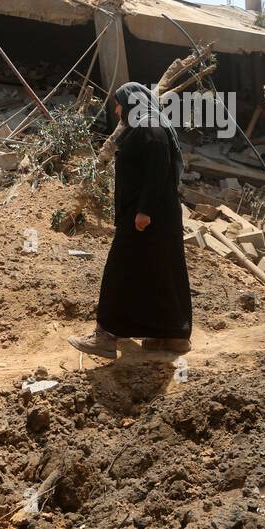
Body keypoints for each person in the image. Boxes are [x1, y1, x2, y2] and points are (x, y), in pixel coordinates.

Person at [68, 82, 192, 358]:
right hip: (152, 219)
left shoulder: (150, 129)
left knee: (119, 272)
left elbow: (157, 171)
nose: (116, 108)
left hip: (145, 219)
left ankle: (106, 336)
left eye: (119, 102)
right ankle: (171, 335)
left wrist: (144, 211)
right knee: (159, 272)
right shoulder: (144, 127)